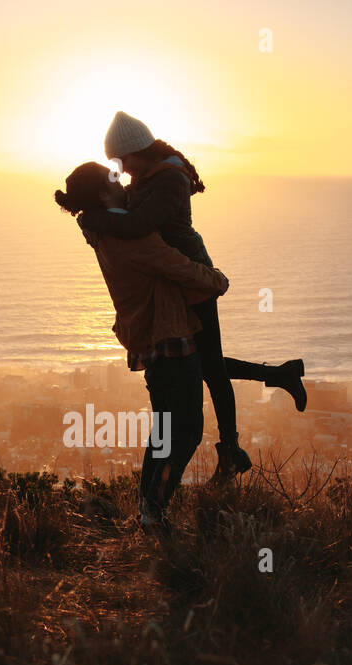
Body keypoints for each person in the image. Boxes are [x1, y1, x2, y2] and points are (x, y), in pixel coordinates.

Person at [79, 111, 307, 483]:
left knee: (210, 367)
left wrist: (93, 218)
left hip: (193, 274)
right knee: (201, 361)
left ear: (136, 151)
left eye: (120, 161)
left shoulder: (168, 179)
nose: (120, 171)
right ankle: (276, 377)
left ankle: (231, 451)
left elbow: (138, 225)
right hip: (176, 274)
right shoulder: (150, 175)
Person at [56, 161, 229, 531]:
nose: (123, 183)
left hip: (147, 337)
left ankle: (147, 509)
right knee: (187, 431)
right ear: (104, 192)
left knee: (164, 429)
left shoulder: (100, 227)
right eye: (114, 179)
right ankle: (154, 509)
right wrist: (217, 280)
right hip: (167, 336)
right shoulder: (129, 236)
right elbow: (176, 265)